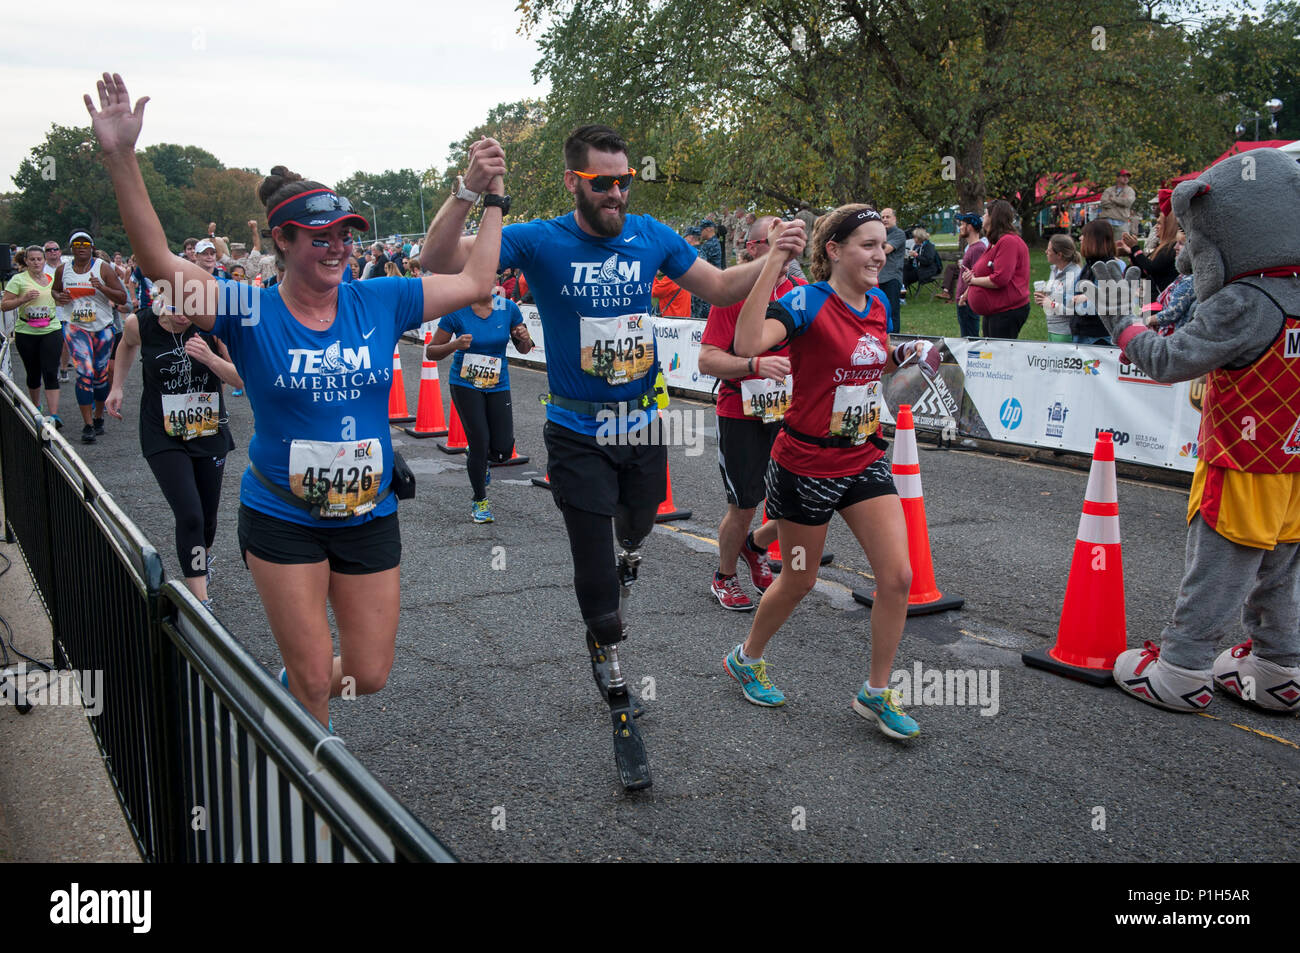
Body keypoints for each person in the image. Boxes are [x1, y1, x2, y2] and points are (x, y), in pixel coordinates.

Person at [86, 72, 504, 730]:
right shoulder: (246, 310)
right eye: (322, 237)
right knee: (316, 680)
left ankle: (294, 690)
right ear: (282, 241)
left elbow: (479, 277)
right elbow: (159, 260)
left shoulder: (382, 298)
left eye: (346, 235)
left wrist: (481, 194)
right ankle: (314, 797)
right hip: (283, 515)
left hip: (367, 512)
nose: (339, 248)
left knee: (367, 673)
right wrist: (122, 157)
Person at [419, 124, 806, 790]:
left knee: (637, 527)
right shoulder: (540, 238)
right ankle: (615, 672)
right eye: (604, 183)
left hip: (641, 426)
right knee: (595, 564)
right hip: (575, 432)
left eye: (626, 180)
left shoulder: (650, 234)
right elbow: (441, 261)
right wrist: (468, 191)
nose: (618, 192)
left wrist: (773, 258)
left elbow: (717, 286)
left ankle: (628, 555)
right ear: (575, 182)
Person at [727, 206, 936, 739]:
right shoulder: (805, 302)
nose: (880, 253)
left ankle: (875, 692)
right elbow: (748, 344)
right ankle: (747, 658)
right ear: (834, 251)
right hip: (805, 467)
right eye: (867, 244)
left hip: (862, 457)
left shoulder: (880, 302)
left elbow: (873, 358)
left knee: (899, 578)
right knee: (799, 578)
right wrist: (774, 261)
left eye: (883, 244)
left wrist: (903, 354)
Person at [106, 300, 242, 610]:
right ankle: (200, 599)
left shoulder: (212, 326)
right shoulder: (139, 324)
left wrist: (210, 359)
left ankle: (200, 561)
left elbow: (241, 379)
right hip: (162, 431)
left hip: (208, 430)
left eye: (190, 309)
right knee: (190, 515)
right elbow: (126, 347)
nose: (184, 316)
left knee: (207, 519)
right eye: (176, 308)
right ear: (160, 302)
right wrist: (118, 387)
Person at [698, 215, 790, 611]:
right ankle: (725, 576)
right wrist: (752, 365)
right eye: (777, 242)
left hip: (787, 414)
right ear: (754, 249)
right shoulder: (733, 294)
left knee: (801, 501)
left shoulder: (798, 292)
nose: (787, 252)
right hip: (741, 414)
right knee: (745, 505)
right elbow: (707, 360)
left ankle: (755, 547)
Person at [425, 292, 533, 522]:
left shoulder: (509, 308)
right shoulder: (456, 308)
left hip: (497, 383)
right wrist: (455, 344)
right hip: (465, 384)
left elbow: (525, 348)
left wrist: (524, 337)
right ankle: (480, 500)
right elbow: (432, 351)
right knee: (479, 442)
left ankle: (479, 457)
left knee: (503, 451)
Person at [51, 230, 129, 443]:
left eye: (86, 243)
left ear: (92, 246)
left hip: (102, 328)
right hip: (76, 327)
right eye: (77, 243)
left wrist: (101, 287)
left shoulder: (102, 268)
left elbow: (122, 298)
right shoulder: (63, 270)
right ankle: (87, 425)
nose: (82, 246)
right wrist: (61, 296)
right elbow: (55, 291)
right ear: (71, 248)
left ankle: (98, 418)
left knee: (100, 376)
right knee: (84, 374)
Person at [2, 245, 64, 426]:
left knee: (51, 372)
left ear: (44, 261)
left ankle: (54, 415)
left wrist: (64, 298)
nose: (36, 262)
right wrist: (23, 299)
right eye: (33, 259)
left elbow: (59, 302)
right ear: (26, 261)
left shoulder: (52, 279)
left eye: (39, 259)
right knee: (33, 372)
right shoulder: (18, 280)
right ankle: (36, 408)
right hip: (26, 331)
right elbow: (4, 305)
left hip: (51, 329)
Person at [963, 200, 1030, 339]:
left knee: (1000, 356)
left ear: (994, 217)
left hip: (1006, 311)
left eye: (986, 214)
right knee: (991, 355)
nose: (983, 217)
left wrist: (973, 281)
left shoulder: (1009, 241)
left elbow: (1000, 278)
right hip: (993, 312)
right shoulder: (995, 242)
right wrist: (970, 281)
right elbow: (984, 269)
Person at [1070, 219, 1118, 345]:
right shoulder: (1089, 265)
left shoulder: (1106, 267)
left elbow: (1101, 303)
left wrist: (1084, 298)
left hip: (1098, 337)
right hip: (1083, 331)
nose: (1080, 238)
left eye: (1084, 235)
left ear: (1095, 240)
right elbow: (1074, 294)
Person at [1037, 233, 1083, 343]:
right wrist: (1043, 300)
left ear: (1059, 255)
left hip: (1065, 332)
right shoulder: (1054, 270)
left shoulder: (1074, 275)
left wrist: (1051, 304)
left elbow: (1073, 309)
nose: (1046, 252)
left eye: (1049, 250)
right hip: (1052, 329)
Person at [951, 212, 987, 336]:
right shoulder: (971, 247)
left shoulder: (978, 248)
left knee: (970, 340)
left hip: (967, 302)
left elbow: (977, 277)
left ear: (970, 227)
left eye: (962, 224)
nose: (960, 227)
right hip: (964, 301)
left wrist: (964, 297)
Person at [877, 207, 905, 333]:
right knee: (879, 311)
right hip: (878, 278)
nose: (885, 220)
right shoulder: (880, 234)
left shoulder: (899, 233)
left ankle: (895, 339)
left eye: (888, 217)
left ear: (895, 218)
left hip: (892, 277)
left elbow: (886, 249)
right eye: (882, 217)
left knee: (892, 311)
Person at [1098, 169, 1136, 242]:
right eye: (1123, 176)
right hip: (1106, 222)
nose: (1126, 178)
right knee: (1104, 246)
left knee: (1122, 246)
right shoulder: (1109, 190)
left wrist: (1113, 199)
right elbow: (1103, 202)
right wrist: (1121, 202)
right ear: (1117, 178)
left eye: (1128, 177)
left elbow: (1128, 202)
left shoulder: (1130, 191)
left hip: (1121, 222)